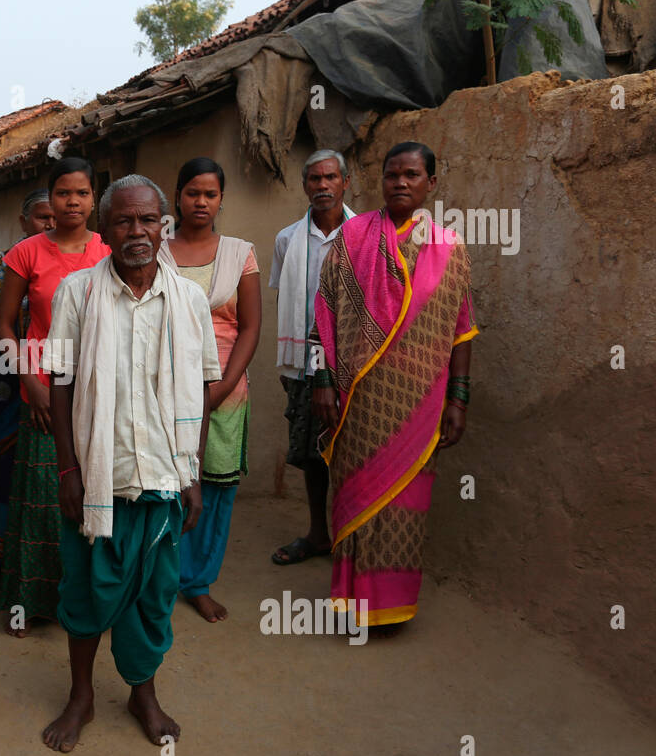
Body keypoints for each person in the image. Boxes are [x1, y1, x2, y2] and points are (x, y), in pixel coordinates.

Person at [41, 175, 220, 753]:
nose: (137, 231)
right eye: (124, 221)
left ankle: (143, 693)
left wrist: (191, 475)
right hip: (101, 474)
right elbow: (61, 383)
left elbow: (201, 387)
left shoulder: (190, 300)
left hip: (166, 475)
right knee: (88, 589)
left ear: (163, 225)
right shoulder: (78, 293)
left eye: (148, 220)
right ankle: (81, 697)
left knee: (153, 592)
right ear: (106, 228)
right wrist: (69, 471)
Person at [310, 141, 478, 630]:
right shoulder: (352, 237)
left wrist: (458, 400)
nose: (400, 182)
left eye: (411, 174)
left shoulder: (450, 248)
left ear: (431, 182)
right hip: (358, 396)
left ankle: (391, 604)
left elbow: (462, 330)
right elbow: (322, 313)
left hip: (421, 402)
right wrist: (322, 378)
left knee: (405, 502)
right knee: (355, 492)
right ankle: (351, 602)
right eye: (391, 175)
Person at [0, 159, 111, 637]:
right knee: (43, 502)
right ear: (51, 197)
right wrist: (33, 383)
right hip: (43, 395)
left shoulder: (108, 250)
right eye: (63, 193)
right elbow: (3, 325)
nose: (72, 202)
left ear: (93, 199)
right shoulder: (26, 253)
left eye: (82, 193)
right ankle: (30, 603)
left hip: (98, 391)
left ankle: (84, 601)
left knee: (97, 498)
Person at [158, 157, 261, 623]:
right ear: (177, 195)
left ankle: (197, 582)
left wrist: (218, 390)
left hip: (224, 386)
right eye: (193, 192)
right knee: (161, 483)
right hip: (159, 383)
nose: (202, 201)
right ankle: (159, 575)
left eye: (211, 194)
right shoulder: (154, 249)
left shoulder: (240, 253)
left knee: (215, 487)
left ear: (221, 199)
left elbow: (251, 328)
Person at [270, 150, 355, 565]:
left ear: (345, 182)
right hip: (306, 362)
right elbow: (287, 300)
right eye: (314, 179)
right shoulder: (288, 239)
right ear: (305, 186)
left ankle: (354, 536)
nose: (323, 186)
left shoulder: (366, 236)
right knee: (312, 451)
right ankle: (319, 534)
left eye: (330, 178)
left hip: (358, 362)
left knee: (356, 450)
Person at [0, 189, 55, 592]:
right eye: (42, 217)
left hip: (55, 384)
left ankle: (43, 571)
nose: (51, 223)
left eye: (55, 216)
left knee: (48, 481)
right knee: (6, 477)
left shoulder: (75, 265)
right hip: (10, 389)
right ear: (24, 221)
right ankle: (1, 561)